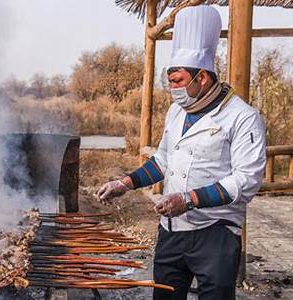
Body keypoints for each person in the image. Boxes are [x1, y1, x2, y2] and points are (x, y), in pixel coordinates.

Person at [96, 5, 266, 300]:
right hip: (171, 229)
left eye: (178, 82)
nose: (173, 90)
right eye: (170, 82)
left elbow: (246, 181)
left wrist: (189, 199)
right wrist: (123, 183)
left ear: (202, 77)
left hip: (216, 233)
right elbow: (162, 160)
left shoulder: (242, 116)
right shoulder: (176, 111)